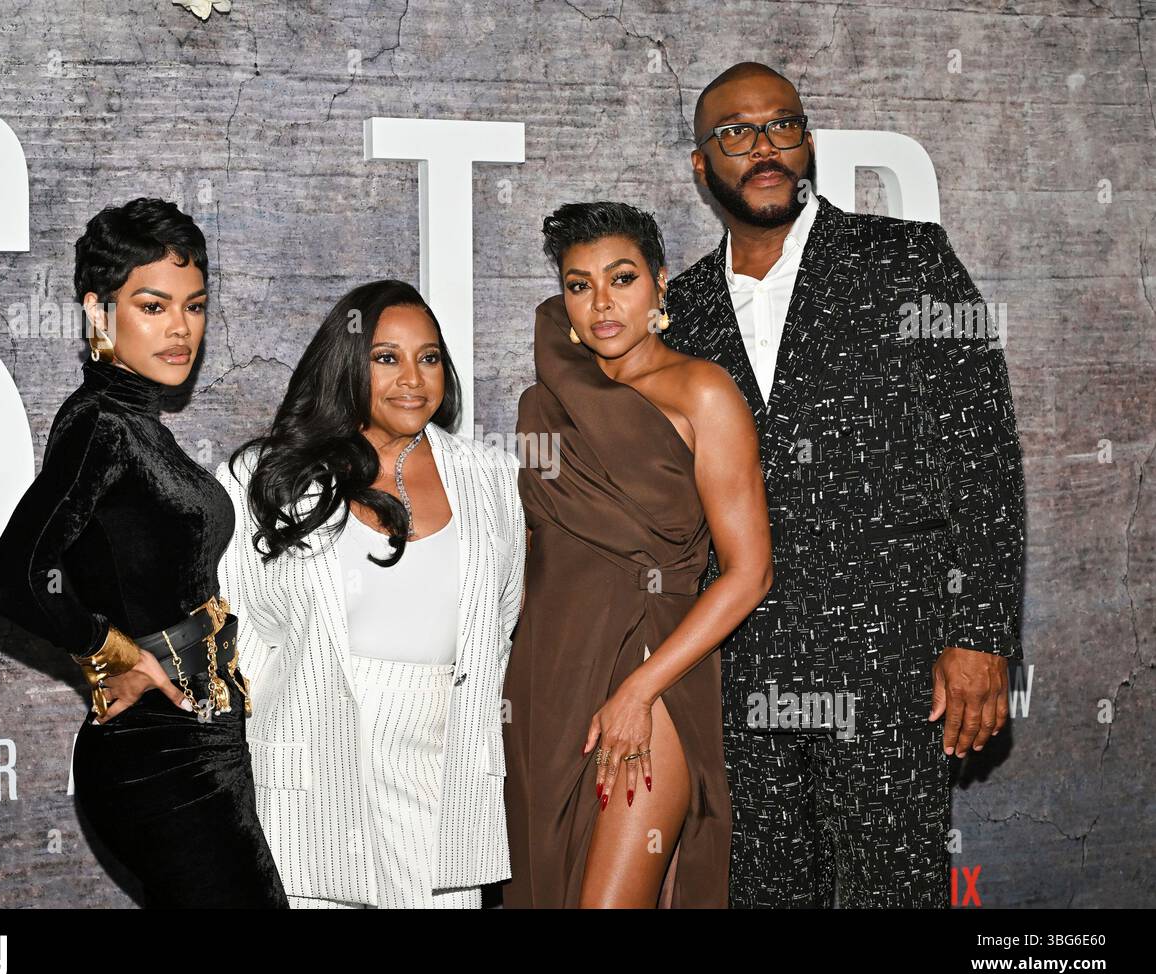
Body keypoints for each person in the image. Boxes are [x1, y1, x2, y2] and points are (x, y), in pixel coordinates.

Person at [663, 62, 1026, 907]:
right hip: (741, 678)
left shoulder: (906, 259)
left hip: (892, 671)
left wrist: (979, 631)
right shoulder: (680, 311)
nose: (764, 149)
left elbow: (983, 458)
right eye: (736, 133)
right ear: (699, 163)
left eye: (782, 126)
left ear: (808, 143)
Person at [0, 197, 288, 908]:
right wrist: (114, 653)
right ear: (98, 311)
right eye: (153, 305)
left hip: (202, 738)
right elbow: (16, 578)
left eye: (195, 305)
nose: (181, 328)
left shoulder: (139, 426)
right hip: (157, 755)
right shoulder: (102, 429)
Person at [216, 279, 525, 908]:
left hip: (445, 772)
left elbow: (500, 616)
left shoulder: (489, 476)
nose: (412, 377)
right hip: (310, 764)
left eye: (429, 357)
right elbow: (235, 635)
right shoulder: (266, 480)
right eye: (387, 358)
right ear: (348, 365)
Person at [502, 202, 774, 908]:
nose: (601, 303)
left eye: (621, 279)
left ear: (659, 285)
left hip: (653, 671)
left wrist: (639, 688)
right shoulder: (544, 406)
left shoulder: (702, 392)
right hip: (548, 677)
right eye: (578, 283)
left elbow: (749, 572)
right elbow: (536, 558)